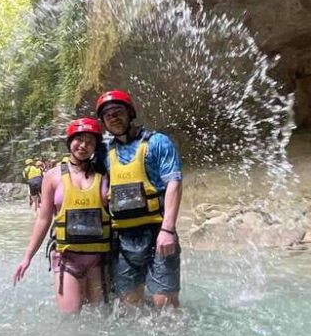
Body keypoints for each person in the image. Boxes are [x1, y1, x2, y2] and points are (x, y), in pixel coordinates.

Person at [13, 118, 111, 313]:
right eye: (79, 139)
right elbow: (43, 219)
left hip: (99, 259)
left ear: (95, 148)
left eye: (90, 142)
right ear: (70, 141)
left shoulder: (105, 176)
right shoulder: (52, 176)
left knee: (102, 320)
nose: (83, 146)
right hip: (67, 258)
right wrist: (27, 257)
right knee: (71, 319)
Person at [96, 90, 183, 309]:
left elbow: (174, 182)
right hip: (122, 237)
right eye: (108, 116)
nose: (114, 118)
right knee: (129, 306)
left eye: (118, 112)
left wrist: (168, 230)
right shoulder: (103, 151)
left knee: (165, 306)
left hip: (157, 232)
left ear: (130, 113)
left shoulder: (158, 142)